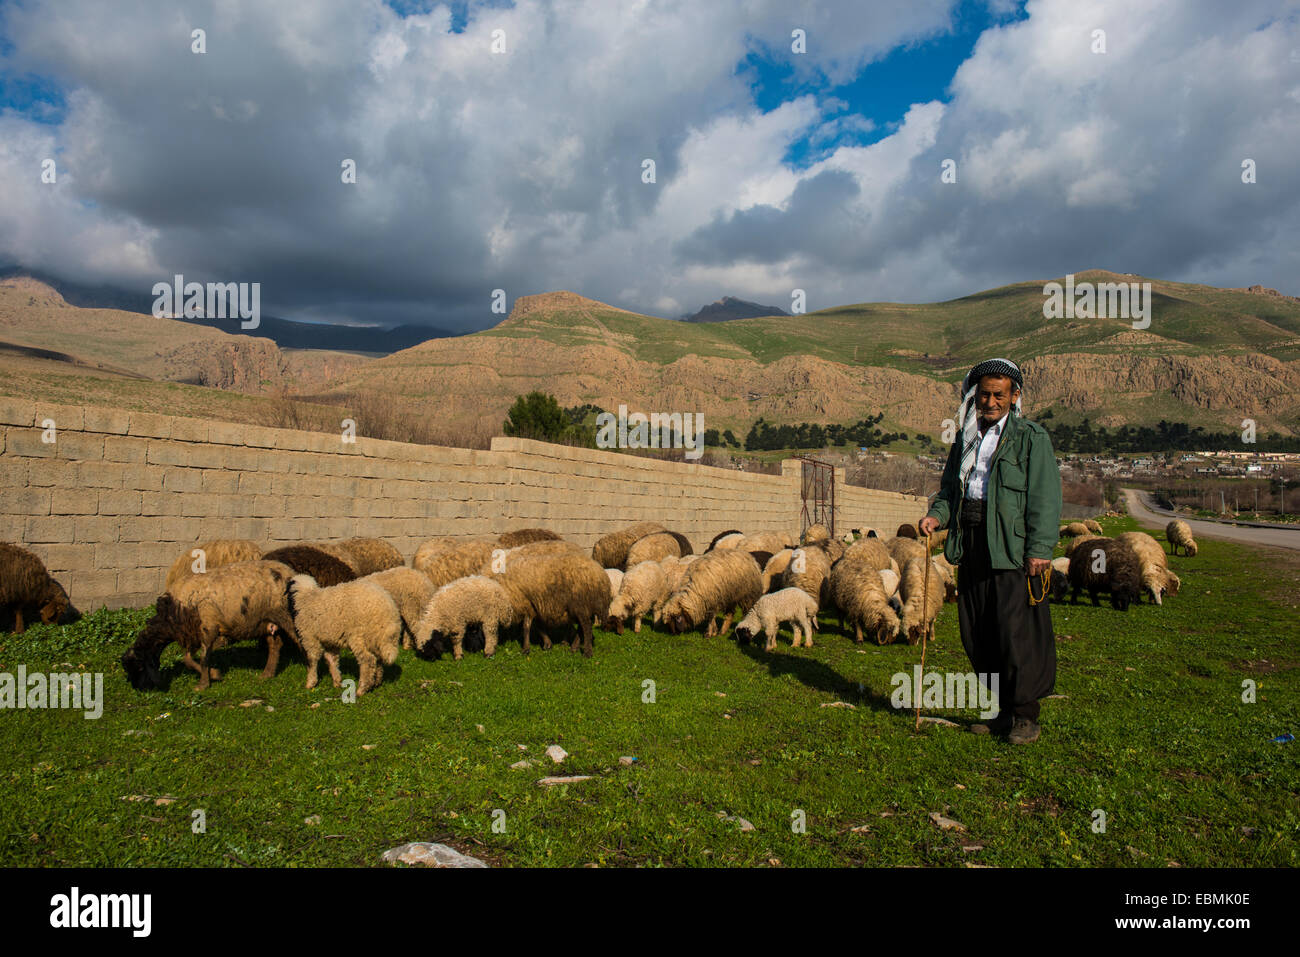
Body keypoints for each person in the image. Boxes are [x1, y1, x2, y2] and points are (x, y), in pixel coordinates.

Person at [918, 358, 1061, 744]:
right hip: (973, 541)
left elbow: (1045, 497)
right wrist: (936, 516)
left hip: (1012, 547)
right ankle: (1001, 711)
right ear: (974, 396)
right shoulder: (965, 439)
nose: (991, 401)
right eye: (984, 394)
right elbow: (951, 490)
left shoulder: (1031, 438)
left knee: (1016, 630)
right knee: (979, 629)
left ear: (1015, 396)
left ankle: (1025, 714)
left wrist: (1040, 548)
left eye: (999, 394)